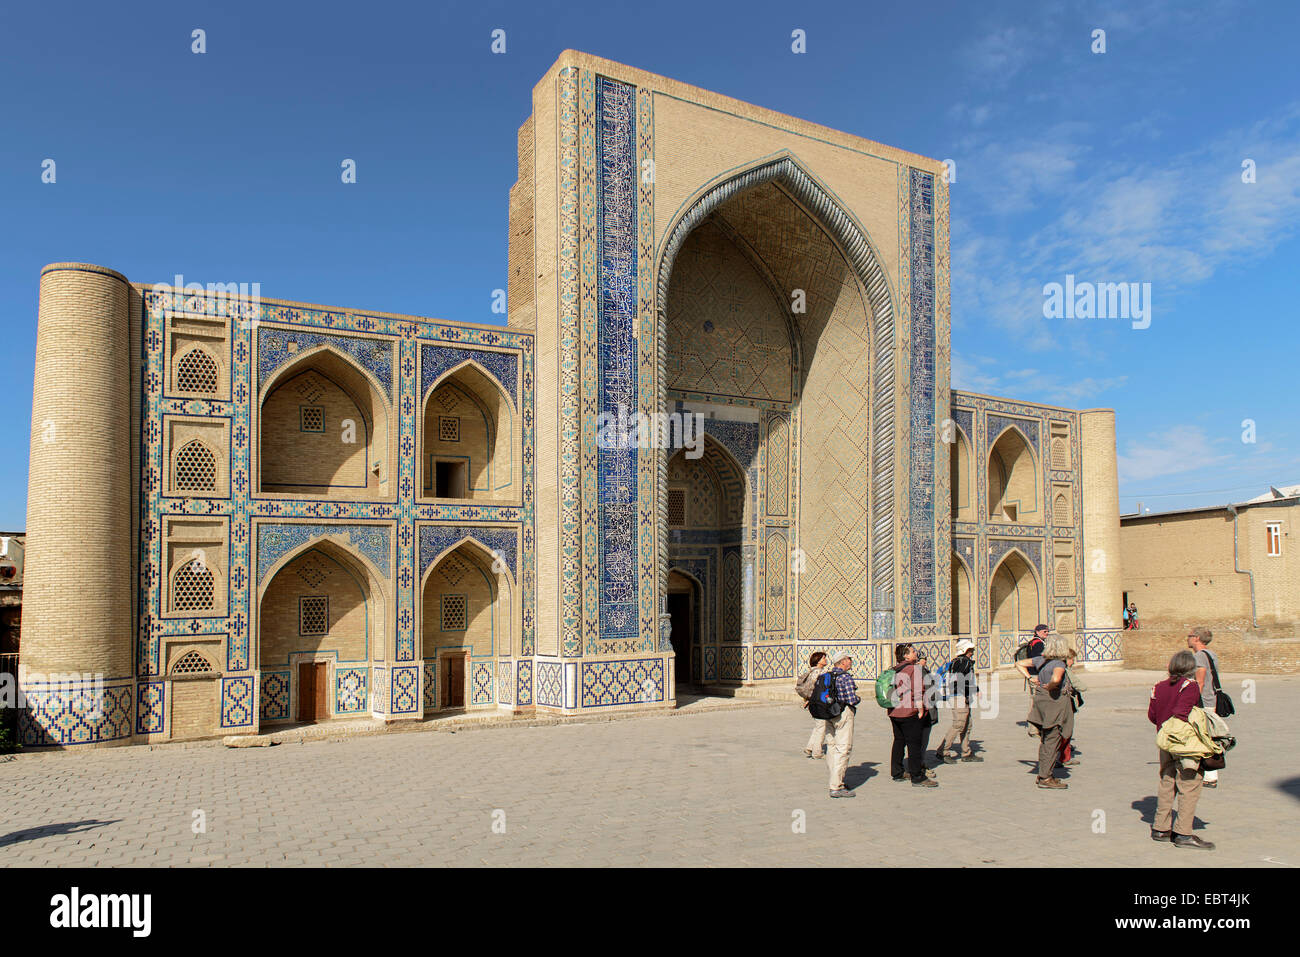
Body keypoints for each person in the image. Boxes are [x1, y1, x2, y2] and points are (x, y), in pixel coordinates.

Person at [1148, 650, 1215, 849]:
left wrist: (1165, 726)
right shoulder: (1190, 686)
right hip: (1184, 743)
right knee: (1189, 784)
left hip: (1164, 740)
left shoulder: (1158, 687)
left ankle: (1161, 827)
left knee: (1167, 781)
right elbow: (1182, 712)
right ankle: (1183, 832)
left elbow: (1152, 715)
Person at [1017, 636, 1075, 789]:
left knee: (1046, 739)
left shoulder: (1040, 660)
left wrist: (1030, 678)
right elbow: (1056, 678)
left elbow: (1019, 663)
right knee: (1052, 739)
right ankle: (1045, 778)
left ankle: (1044, 773)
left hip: (1042, 702)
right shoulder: (1058, 664)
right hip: (1054, 704)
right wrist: (1050, 686)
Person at [888, 644, 937, 787]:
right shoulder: (912, 669)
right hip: (909, 712)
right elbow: (917, 691)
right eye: (913, 651)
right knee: (914, 744)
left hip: (894, 711)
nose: (916, 653)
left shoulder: (894, 669)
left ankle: (897, 772)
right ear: (906, 656)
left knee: (899, 741)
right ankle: (917, 776)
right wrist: (920, 709)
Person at [937, 639, 982, 763]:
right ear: (966, 650)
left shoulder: (957, 661)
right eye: (971, 650)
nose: (972, 652)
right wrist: (971, 690)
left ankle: (966, 752)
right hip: (958, 696)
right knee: (959, 724)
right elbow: (961, 680)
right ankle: (943, 751)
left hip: (960, 696)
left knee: (967, 724)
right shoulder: (963, 662)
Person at [1187, 627, 1221, 788]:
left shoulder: (1200, 656)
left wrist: (1193, 701)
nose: (1187, 638)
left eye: (1190, 636)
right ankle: (1208, 772)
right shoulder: (1211, 653)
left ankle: (1210, 775)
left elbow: (1200, 680)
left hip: (1204, 701)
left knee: (1205, 737)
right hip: (1211, 699)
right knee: (1208, 736)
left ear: (1197, 638)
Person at [823, 654, 860, 798]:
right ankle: (836, 786)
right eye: (849, 659)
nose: (851, 661)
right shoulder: (845, 677)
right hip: (842, 715)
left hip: (828, 714)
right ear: (843, 662)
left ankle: (835, 780)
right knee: (843, 748)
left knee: (831, 747)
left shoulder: (827, 676)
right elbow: (852, 700)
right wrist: (858, 698)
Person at [796, 651, 830, 758]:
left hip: (813, 702)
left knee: (818, 726)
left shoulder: (812, 671)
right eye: (823, 658)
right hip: (819, 703)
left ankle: (810, 747)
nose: (825, 660)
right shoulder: (819, 673)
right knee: (822, 727)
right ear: (818, 661)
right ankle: (817, 752)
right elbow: (816, 689)